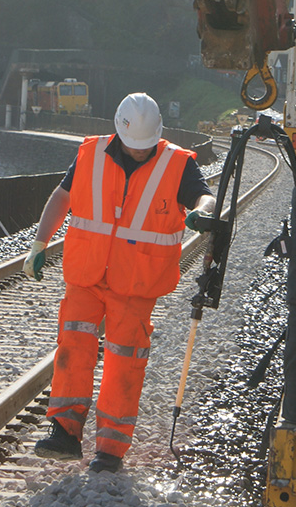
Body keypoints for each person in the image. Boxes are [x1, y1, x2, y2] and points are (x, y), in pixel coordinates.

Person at [25, 92, 215, 473]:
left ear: (157, 136)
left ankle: (110, 449)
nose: (139, 152)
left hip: (136, 283)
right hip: (86, 275)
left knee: (124, 363)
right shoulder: (91, 153)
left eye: (145, 147)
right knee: (73, 347)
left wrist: (200, 214)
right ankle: (64, 432)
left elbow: (205, 198)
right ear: (119, 133)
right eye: (133, 146)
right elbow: (62, 197)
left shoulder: (177, 163)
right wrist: (39, 243)